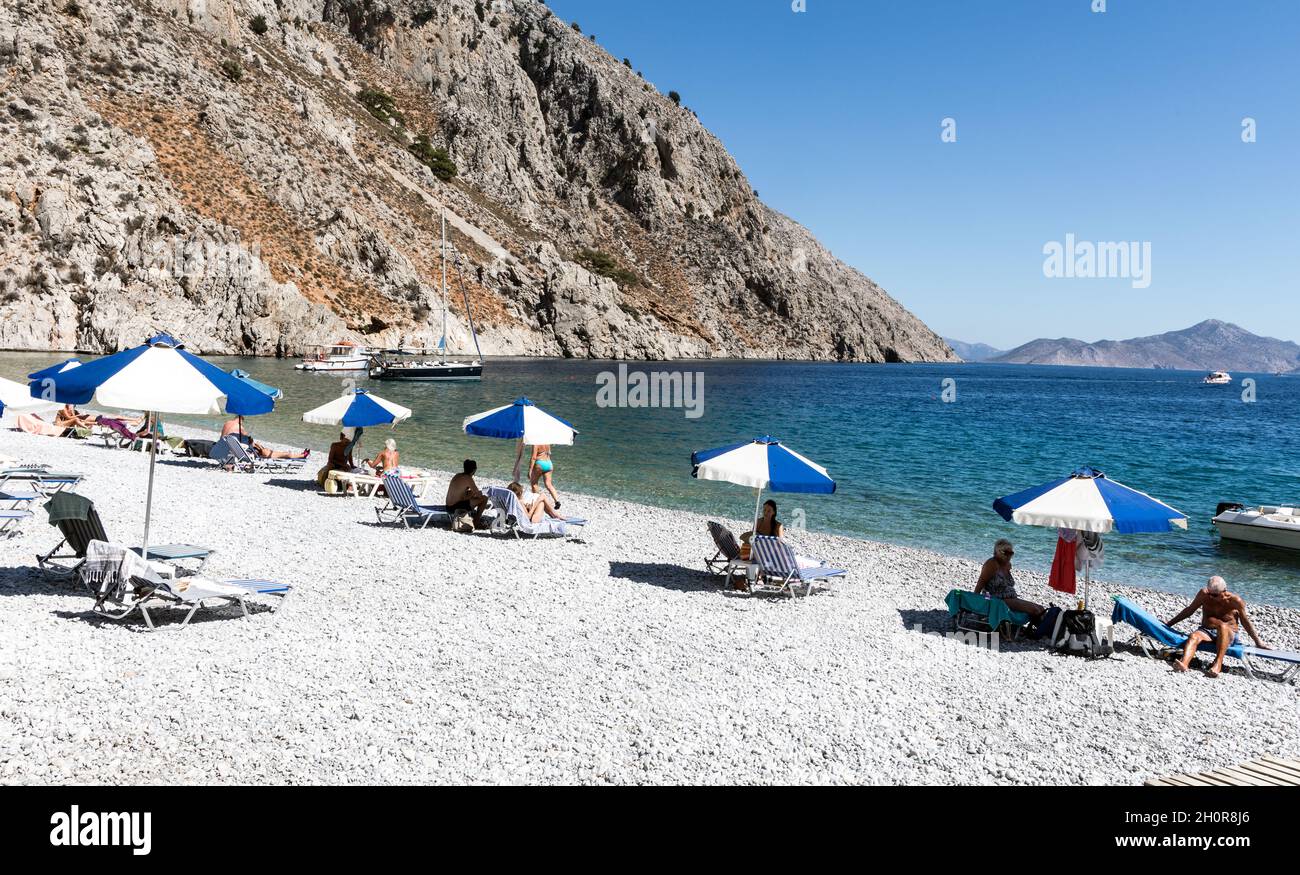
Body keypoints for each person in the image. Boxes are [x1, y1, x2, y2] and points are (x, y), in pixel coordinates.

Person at [1167, 576, 1269, 678]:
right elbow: (1189, 610)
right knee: (1193, 636)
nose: (1211, 597)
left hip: (1229, 634)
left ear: (1224, 591)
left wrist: (1258, 642)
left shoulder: (1235, 601)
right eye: (1209, 593)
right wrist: (1169, 624)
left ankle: (1218, 664)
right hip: (1207, 631)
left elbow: (1245, 622)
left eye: (1215, 595)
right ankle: (1184, 664)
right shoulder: (1204, 594)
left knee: (1222, 626)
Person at [974, 538, 1046, 621]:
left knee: (1041, 608)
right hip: (996, 600)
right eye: (1006, 553)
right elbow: (980, 584)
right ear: (998, 552)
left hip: (1011, 598)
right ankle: (1042, 633)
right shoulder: (992, 564)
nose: (1009, 556)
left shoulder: (1007, 565)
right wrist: (976, 602)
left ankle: (1041, 631)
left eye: (1011, 553)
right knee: (1035, 610)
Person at [222, 416, 308, 461]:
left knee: (264, 450)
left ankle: (299, 454)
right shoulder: (239, 427)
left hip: (227, 451)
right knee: (270, 453)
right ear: (241, 420)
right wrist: (256, 444)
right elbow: (250, 442)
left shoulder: (227, 423)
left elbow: (223, 438)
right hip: (241, 453)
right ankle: (301, 455)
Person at [446, 460, 490, 528]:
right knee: (485, 498)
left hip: (448, 506)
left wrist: (473, 494)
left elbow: (464, 494)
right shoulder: (468, 478)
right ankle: (476, 522)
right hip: (455, 508)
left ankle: (475, 514)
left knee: (472, 492)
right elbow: (478, 494)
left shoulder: (457, 475)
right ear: (474, 470)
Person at [527, 443, 560, 509]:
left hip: (540, 463)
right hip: (549, 463)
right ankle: (557, 501)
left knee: (534, 483)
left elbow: (533, 457)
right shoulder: (547, 441)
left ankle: (536, 502)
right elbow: (549, 453)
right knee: (549, 484)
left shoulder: (536, 443)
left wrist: (530, 470)